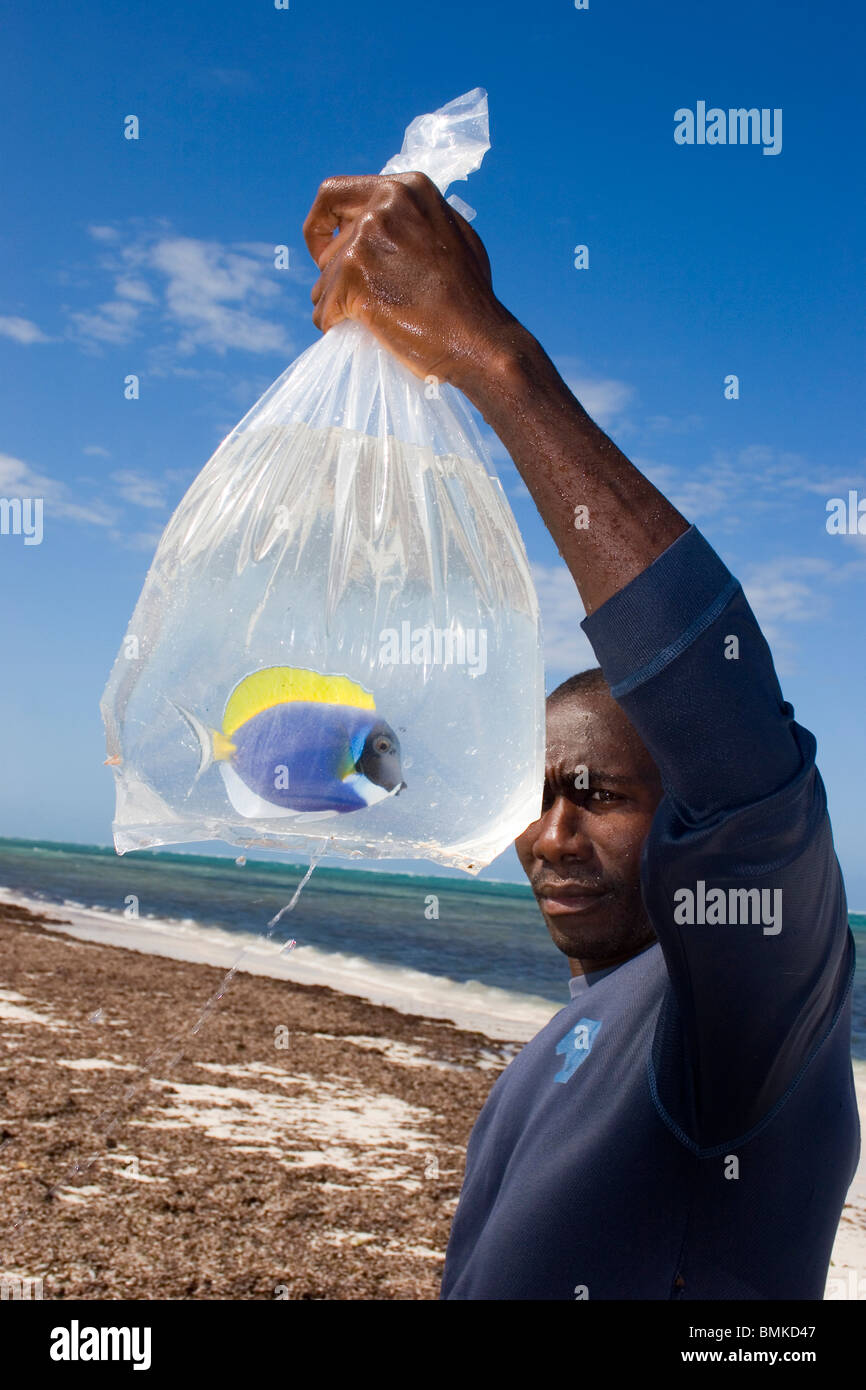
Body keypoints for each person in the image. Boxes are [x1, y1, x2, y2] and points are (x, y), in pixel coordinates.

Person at [303, 172, 860, 1300]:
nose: (549, 834)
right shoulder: (577, 1029)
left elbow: (726, 714)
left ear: (692, 811)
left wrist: (489, 356)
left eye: (599, 793)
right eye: (539, 789)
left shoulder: (737, 1009)